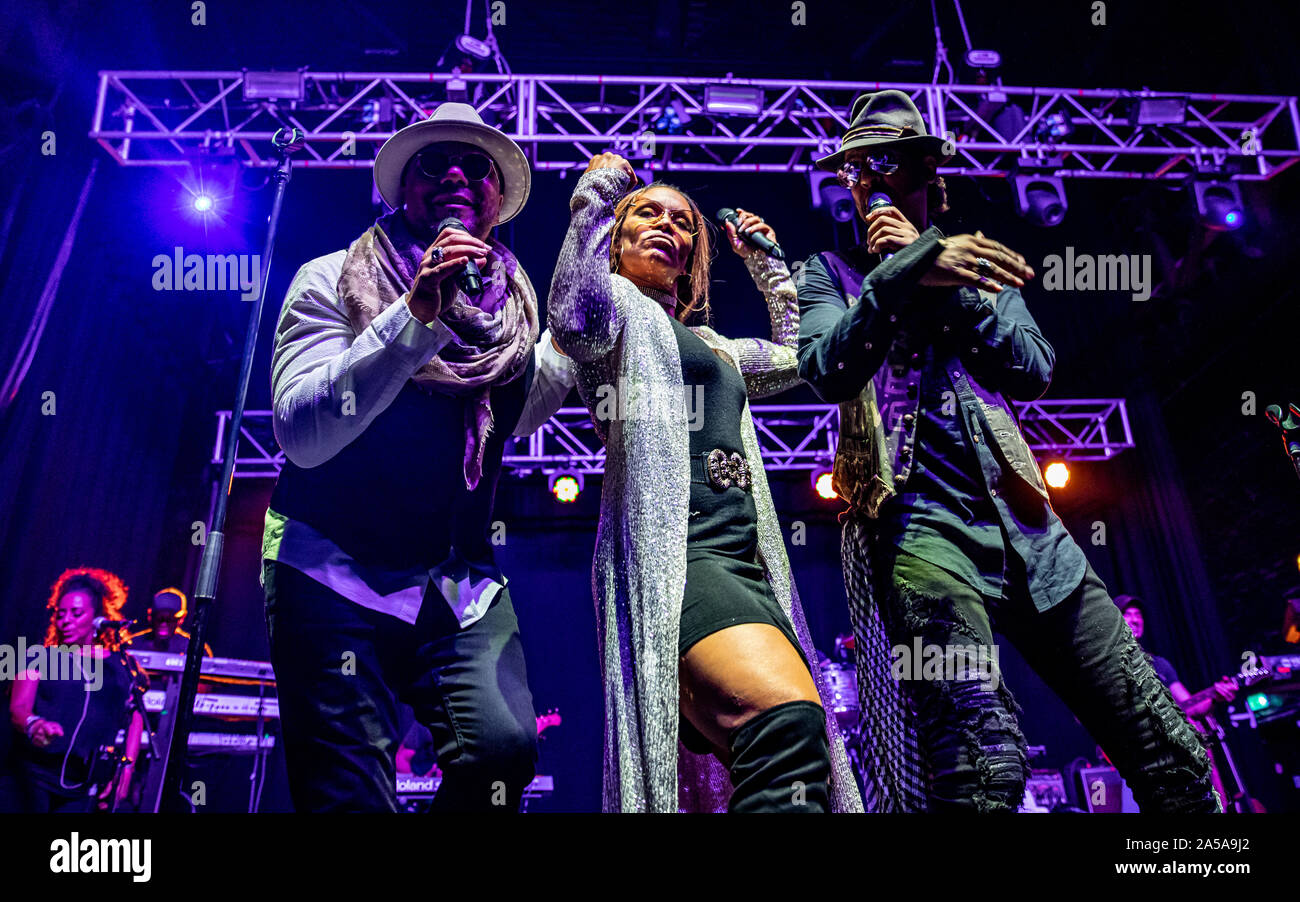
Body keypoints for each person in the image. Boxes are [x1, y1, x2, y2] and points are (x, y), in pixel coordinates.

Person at [796, 89, 1219, 813]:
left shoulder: (985, 266)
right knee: (980, 761)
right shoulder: (828, 275)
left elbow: (1030, 368)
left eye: (884, 164)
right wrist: (901, 274)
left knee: (1172, 756)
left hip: (1034, 536)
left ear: (932, 172)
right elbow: (828, 367)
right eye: (854, 172)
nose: (866, 184)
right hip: (925, 542)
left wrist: (941, 274)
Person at [261, 103, 575, 812]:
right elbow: (303, 436)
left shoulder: (512, 314)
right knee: (348, 798)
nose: (458, 176)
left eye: (478, 167)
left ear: (498, 197)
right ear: (403, 186)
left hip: (454, 584)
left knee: (503, 752)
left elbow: (517, 416)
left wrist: (582, 330)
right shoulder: (332, 277)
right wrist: (413, 315)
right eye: (435, 163)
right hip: (330, 568)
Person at [547, 152, 862, 813]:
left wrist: (768, 266)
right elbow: (572, 317)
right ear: (617, 233)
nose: (669, 224)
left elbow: (800, 358)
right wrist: (594, 196)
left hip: (747, 563)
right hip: (682, 560)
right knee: (786, 724)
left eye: (684, 220)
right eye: (648, 212)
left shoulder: (711, 345)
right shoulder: (617, 322)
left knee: (803, 770)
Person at [8, 568, 145, 812]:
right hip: (30, 779)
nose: (66, 620)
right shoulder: (39, 657)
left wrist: (127, 768)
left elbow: (136, 715)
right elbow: (18, 707)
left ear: (97, 617)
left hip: (82, 787)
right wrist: (34, 724)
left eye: (76, 613)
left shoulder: (121, 665)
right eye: (61, 614)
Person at [1118, 595, 1249, 810]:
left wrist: (1214, 696)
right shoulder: (1119, 663)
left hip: (1175, 753)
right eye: (1128, 614)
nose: (1135, 619)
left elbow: (1191, 706)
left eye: (1138, 615)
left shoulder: (1160, 664)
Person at [122, 587, 213, 657]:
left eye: (170, 620)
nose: (164, 624)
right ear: (150, 618)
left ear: (181, 620)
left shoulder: (194, 648)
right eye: (159, 619)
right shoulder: (133, 644)